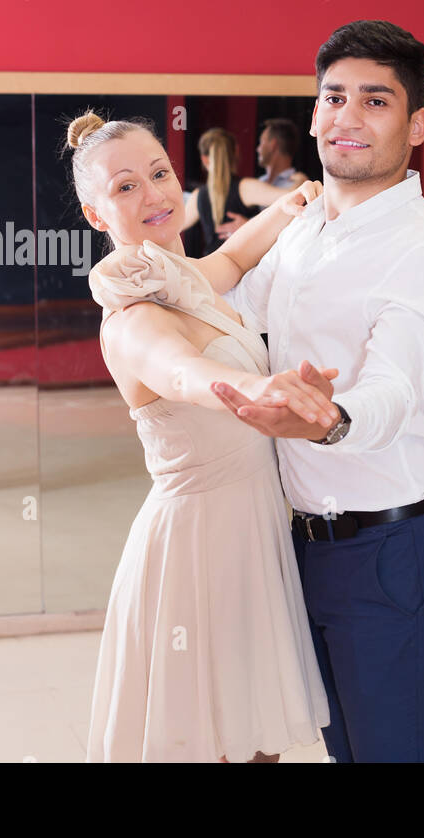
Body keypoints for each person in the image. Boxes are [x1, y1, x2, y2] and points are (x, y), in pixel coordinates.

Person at [210, 20, 424, 762]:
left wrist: (331, 419)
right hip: (305, 544)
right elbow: (237, 319)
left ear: (417, 123)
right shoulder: (303, 226)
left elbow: (398, 385)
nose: (346, 117)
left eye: (375, 100)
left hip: (395, 547)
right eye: (333, 97)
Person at [65, 110, 333, 762]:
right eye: (125, 187)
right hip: (199, 545)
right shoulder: (131, 317)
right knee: (214, 740)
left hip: (252, 528)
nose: (154, 194)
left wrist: (297, 201)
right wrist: (253, 389)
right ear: (96, 214)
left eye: (158, 173)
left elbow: (236, 255)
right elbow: (180, 371)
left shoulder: (181, 278)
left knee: (255, 739)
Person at [181, 127, 300, 255]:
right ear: (236, 152)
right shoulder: (246, 187)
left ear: (204, 159)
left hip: (209, 269)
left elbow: (173, 227)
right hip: (243, 270)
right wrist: (300, 179)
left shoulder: (197, 196)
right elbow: (294, 196)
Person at [213, 119, 310, 242]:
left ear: (272, 145)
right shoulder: (257, 183)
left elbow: (294, 233)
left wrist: (247, 226)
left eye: (261, 142)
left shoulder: (299, 187)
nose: (257, 149)